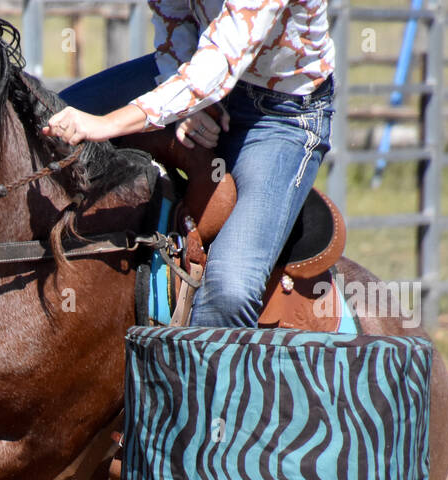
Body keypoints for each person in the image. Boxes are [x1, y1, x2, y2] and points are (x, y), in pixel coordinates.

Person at [43, 0, 337, 329]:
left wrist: (105, 125)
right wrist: (185, 100)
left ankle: (205, 374)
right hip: (196, 70)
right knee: (43, 128)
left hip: (279, 114)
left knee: (229, 292)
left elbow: (222, 59)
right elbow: (174, 21)